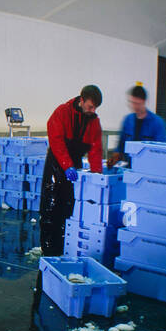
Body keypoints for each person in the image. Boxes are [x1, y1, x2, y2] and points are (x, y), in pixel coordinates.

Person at [40, 85, 104, 256]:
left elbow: (95, 149)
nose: (92, 110)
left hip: (73, 166)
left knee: (68, 205)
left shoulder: (93, 121)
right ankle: (48, 249)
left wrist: (97, 176)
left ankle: (63, 247)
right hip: (56, 162)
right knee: (51, 206)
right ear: (81, 100)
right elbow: (56, 140)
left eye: (95, 108)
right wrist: (66, 164)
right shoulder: (62, 112)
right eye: (90, 106)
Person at [107, 84, 166, 168]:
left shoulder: (157, 123)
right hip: (129, 167)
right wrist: (114, 157)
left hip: (149, 168)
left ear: (144, 101)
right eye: (132, 103)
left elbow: (161, 151)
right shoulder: (128, 120)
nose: (134, 106)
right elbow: (120, 145)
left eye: (137, 103)